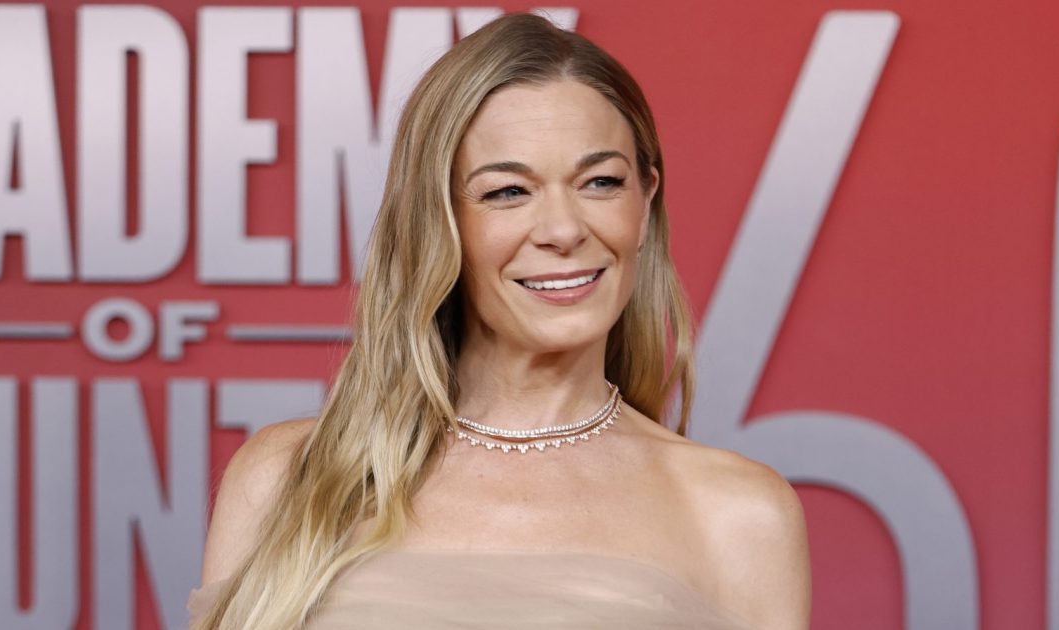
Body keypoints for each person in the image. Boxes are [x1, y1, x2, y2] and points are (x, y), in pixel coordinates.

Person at [190, 12, 810, 630]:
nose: (564, 230)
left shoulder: (737, 514)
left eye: (600, 182)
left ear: (644, 203)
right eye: (508, 192)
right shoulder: (286, 477)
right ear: (437, 221)